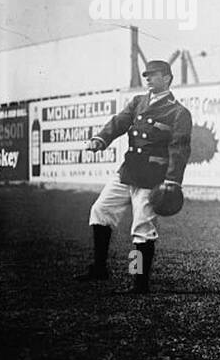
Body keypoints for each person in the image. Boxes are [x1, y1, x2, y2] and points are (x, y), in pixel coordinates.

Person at [74, 59, 192, 294]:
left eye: (153, 75)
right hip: (128, 170)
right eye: (146, 75)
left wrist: (172, 180)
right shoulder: (138, 102)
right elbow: (119, 122)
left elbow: (179, 148)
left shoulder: (179, 112)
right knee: (100, 210)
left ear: (167, 78)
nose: (147, 78)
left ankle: (139, 282)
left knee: (142, 228)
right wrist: (101, 139)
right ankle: (99, 268)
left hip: (152, 177)